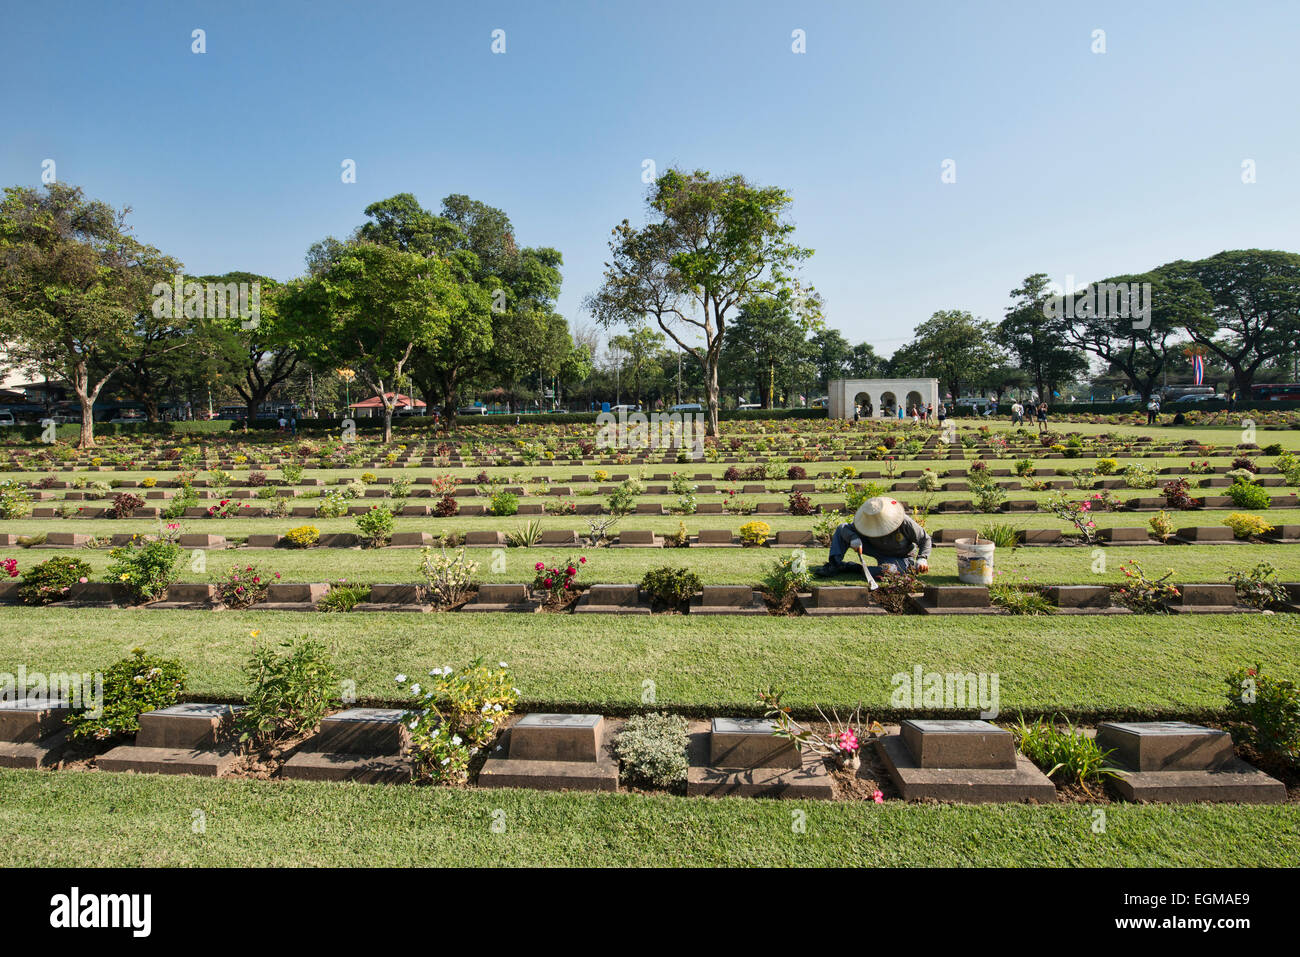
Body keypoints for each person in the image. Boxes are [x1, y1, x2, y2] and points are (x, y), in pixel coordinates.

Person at [814, 497, 932, 578]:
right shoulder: (865, 521)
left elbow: (924, 539)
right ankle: (834, 564)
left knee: (889, 571)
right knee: (841, 529)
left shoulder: (905, 522)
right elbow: (844, 529)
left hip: (899, 556)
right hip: (873, 547)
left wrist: (922, 558)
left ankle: (854, 568)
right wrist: (853, 538)